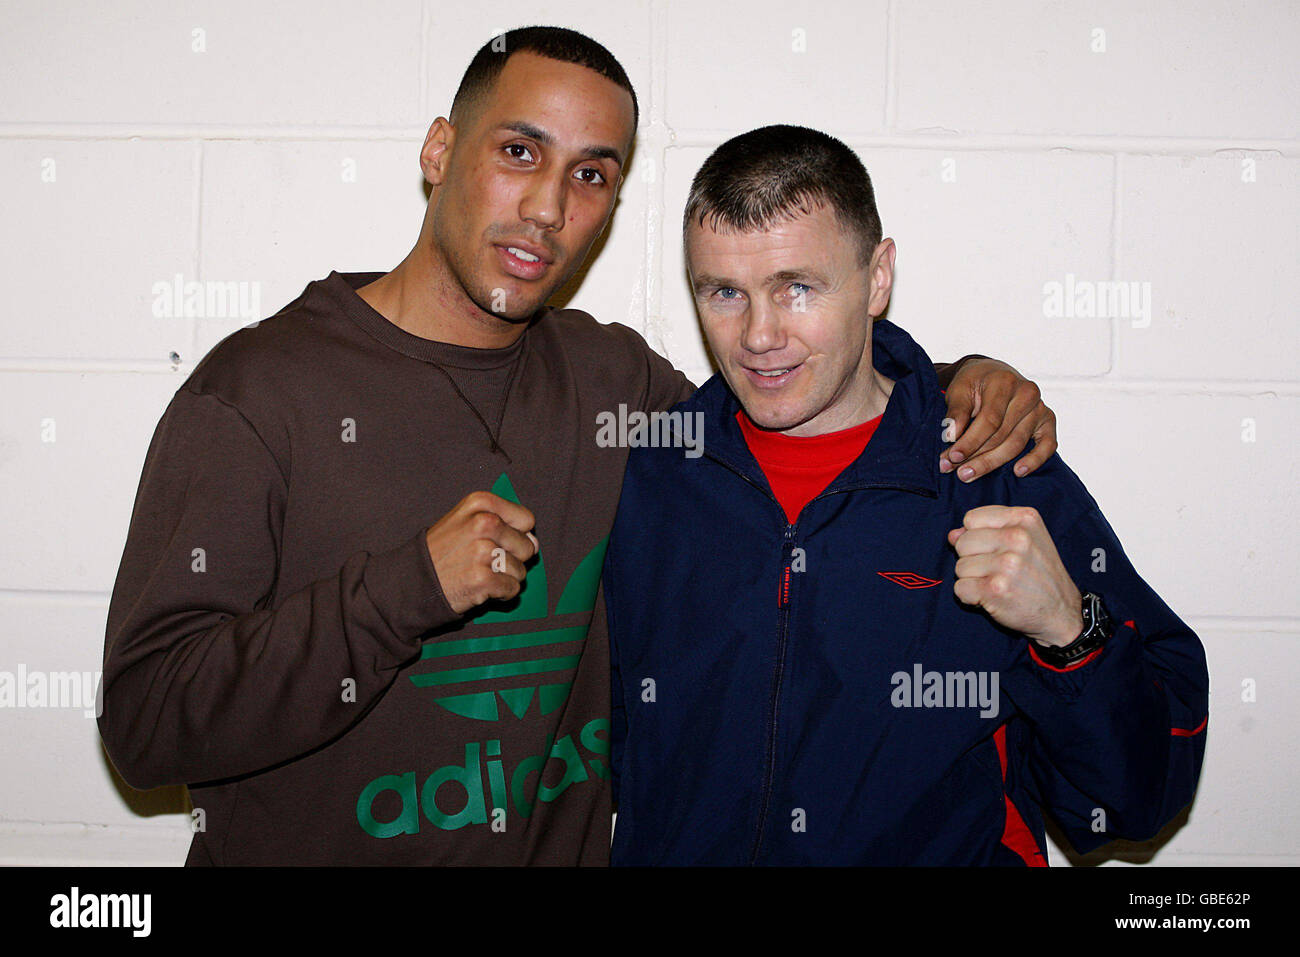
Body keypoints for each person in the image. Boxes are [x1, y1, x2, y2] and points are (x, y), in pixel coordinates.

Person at [99, 29, 1059, 865]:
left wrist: (955, 375)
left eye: (591, 174)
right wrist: (402, 593)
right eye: (520, 151)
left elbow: (801, 399)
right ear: (440, 150)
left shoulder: (614, 383)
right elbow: (144, 726)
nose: (550, 208)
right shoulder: (258, 391)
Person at [602, 125, 1209, 866]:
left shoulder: (993, 470)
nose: (759, 335)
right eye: (724, 292)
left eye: (797, 287)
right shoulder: (657, 478)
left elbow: (1136, 800)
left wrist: (1068, 632)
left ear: (878, 276)